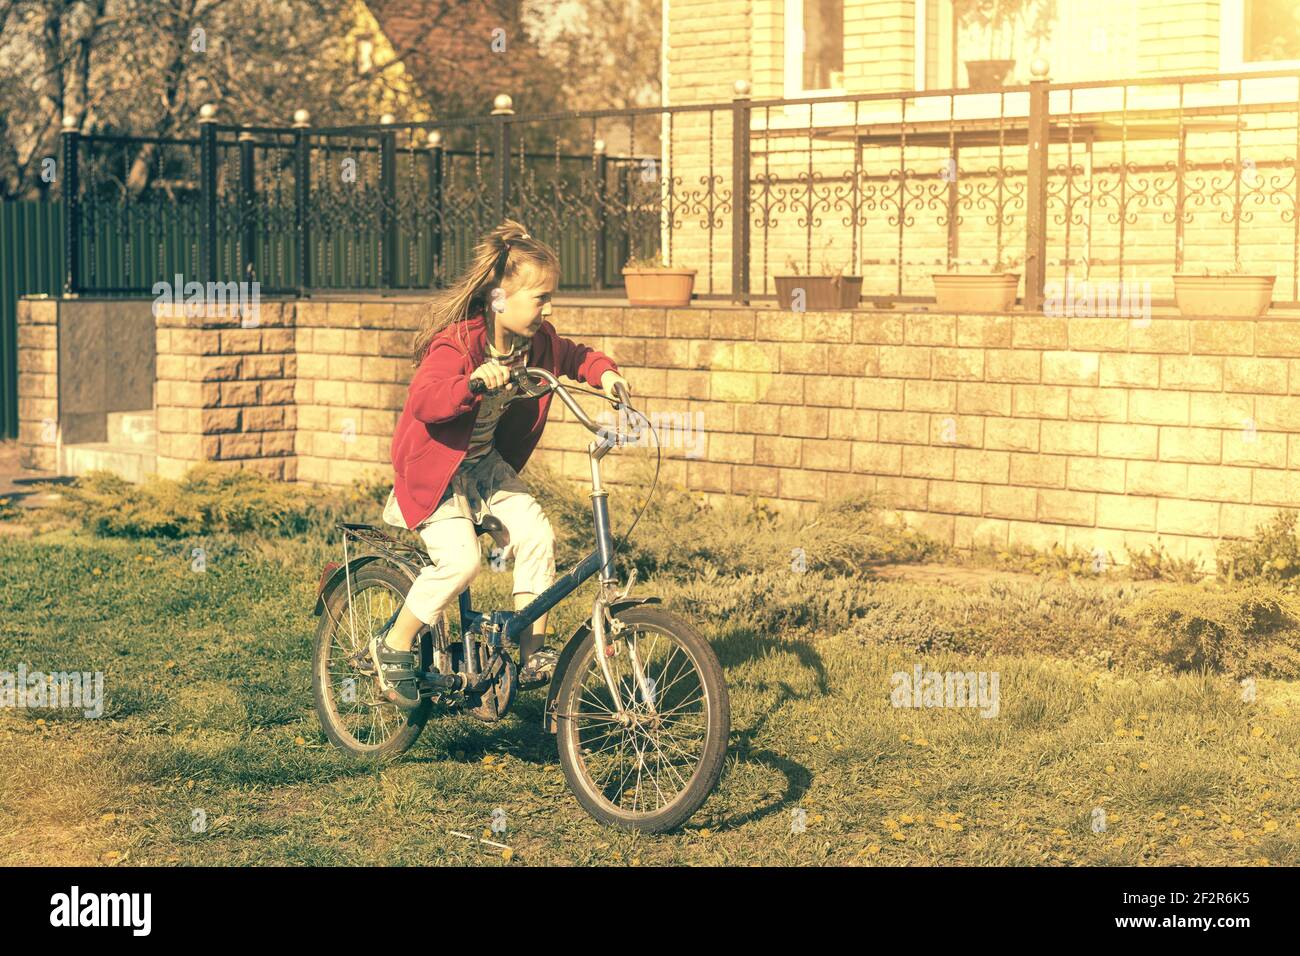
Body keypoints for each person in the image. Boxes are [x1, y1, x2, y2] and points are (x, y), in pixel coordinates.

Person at [374, 219, 630, 709]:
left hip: (483, 465)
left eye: (550, 298)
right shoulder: (458, 344)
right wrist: (471, 384)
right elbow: (426, 401)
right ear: (498, 301)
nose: (548, 309)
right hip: (435, 473)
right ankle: (395, 643)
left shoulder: (538, 343)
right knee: (463, 561)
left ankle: (533, 649)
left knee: (537, 533)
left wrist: (607, 375)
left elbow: (576, 355)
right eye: (540, 298)